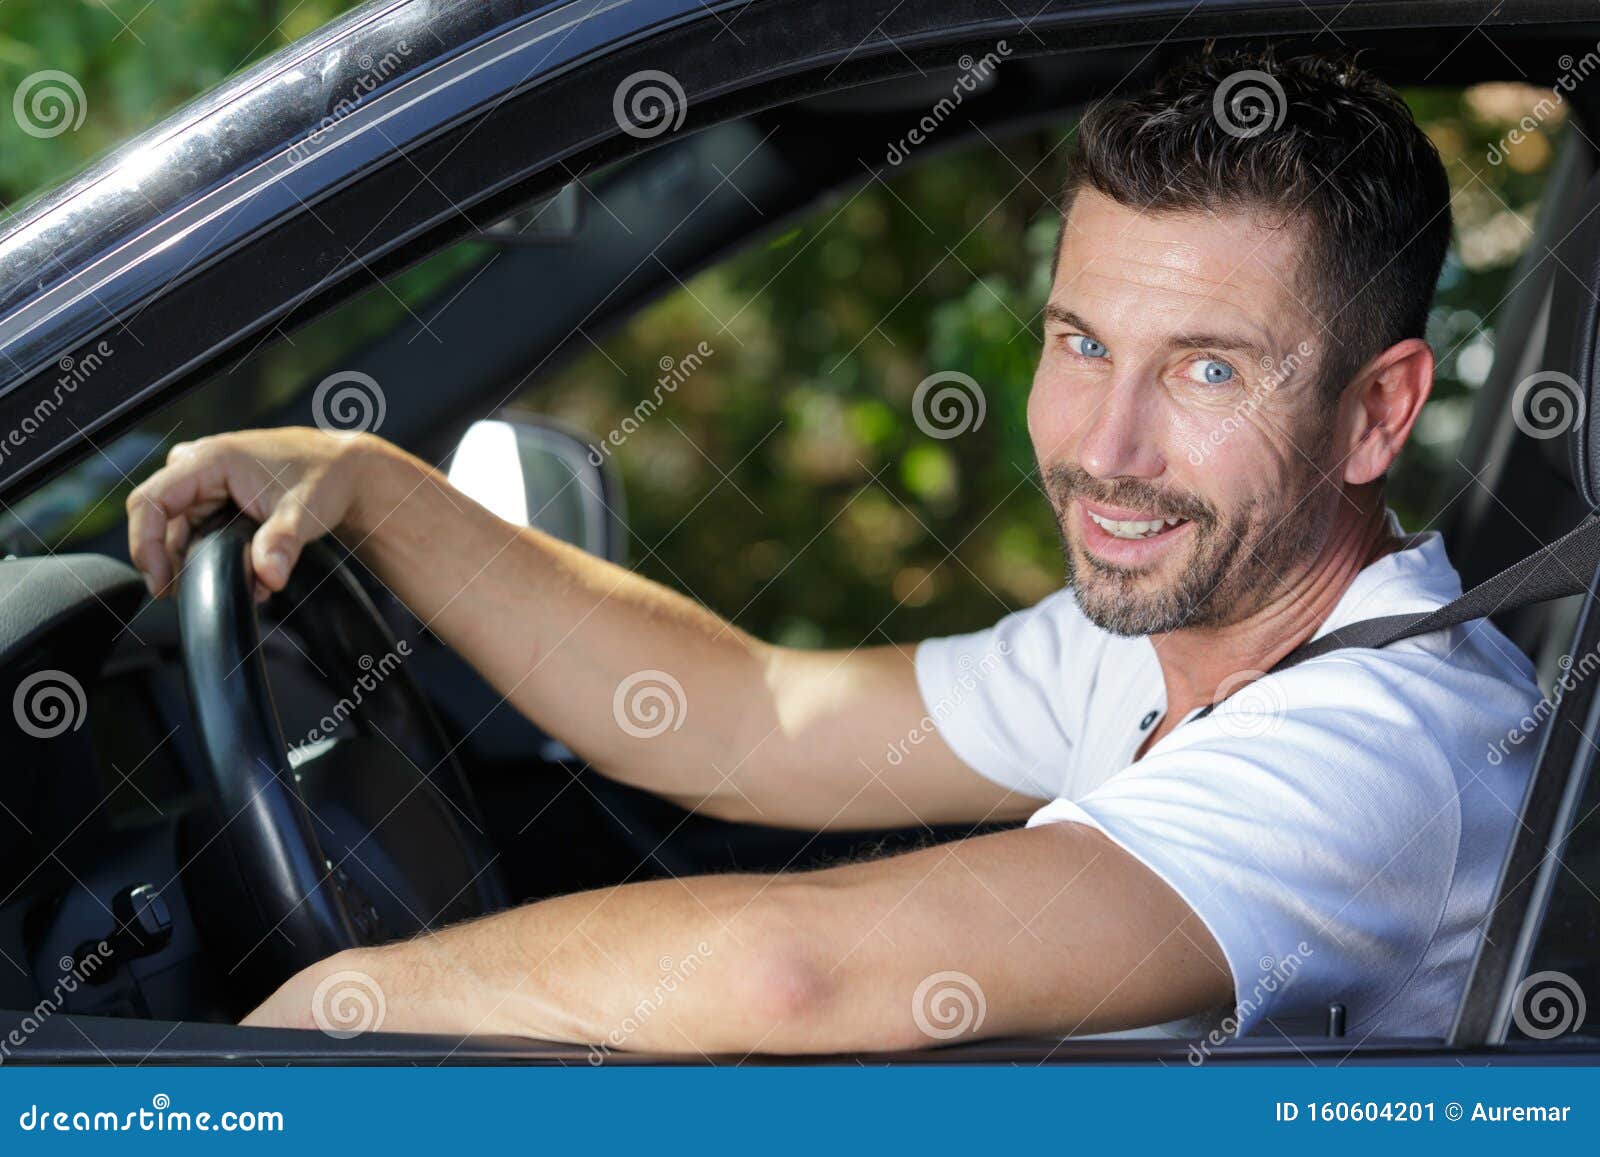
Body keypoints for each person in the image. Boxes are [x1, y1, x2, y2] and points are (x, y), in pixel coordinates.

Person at [126, 48, 1541, 1051]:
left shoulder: (1386, 750)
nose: (1108, 447)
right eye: (1081, 343)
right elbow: (746, 719)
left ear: (1376, 412)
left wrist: (339, 1018)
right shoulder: (1180, 629)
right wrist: (375, 486)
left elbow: (794, 972)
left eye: (1208, 370)